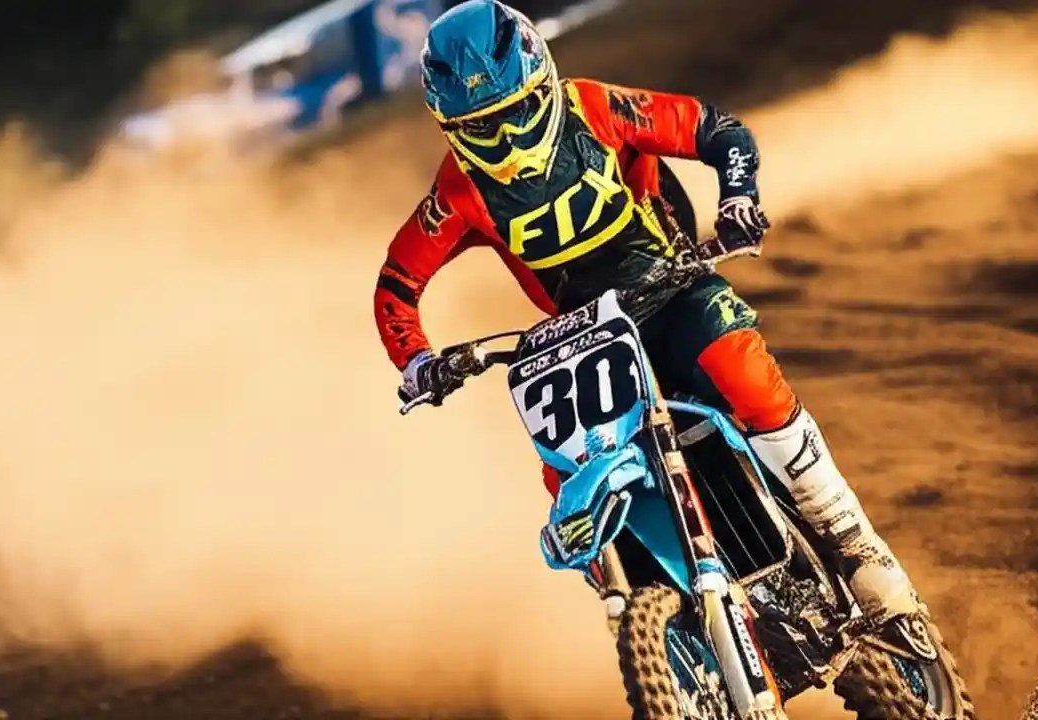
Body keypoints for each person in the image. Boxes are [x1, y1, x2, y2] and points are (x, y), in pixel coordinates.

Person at [373, 0, 918, 626]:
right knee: (566, 480)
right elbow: (396, 285)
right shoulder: (459, 192)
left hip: (671, 284)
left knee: (741, 373)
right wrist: (417, 361)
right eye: (481, 127)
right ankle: (644, 609)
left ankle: (851, 538)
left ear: (543, 84)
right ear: (448, 124)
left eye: (515, 113)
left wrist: (738, 199)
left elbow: (718, 132)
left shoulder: (595, 109)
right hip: (581, 340)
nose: (505, 141)